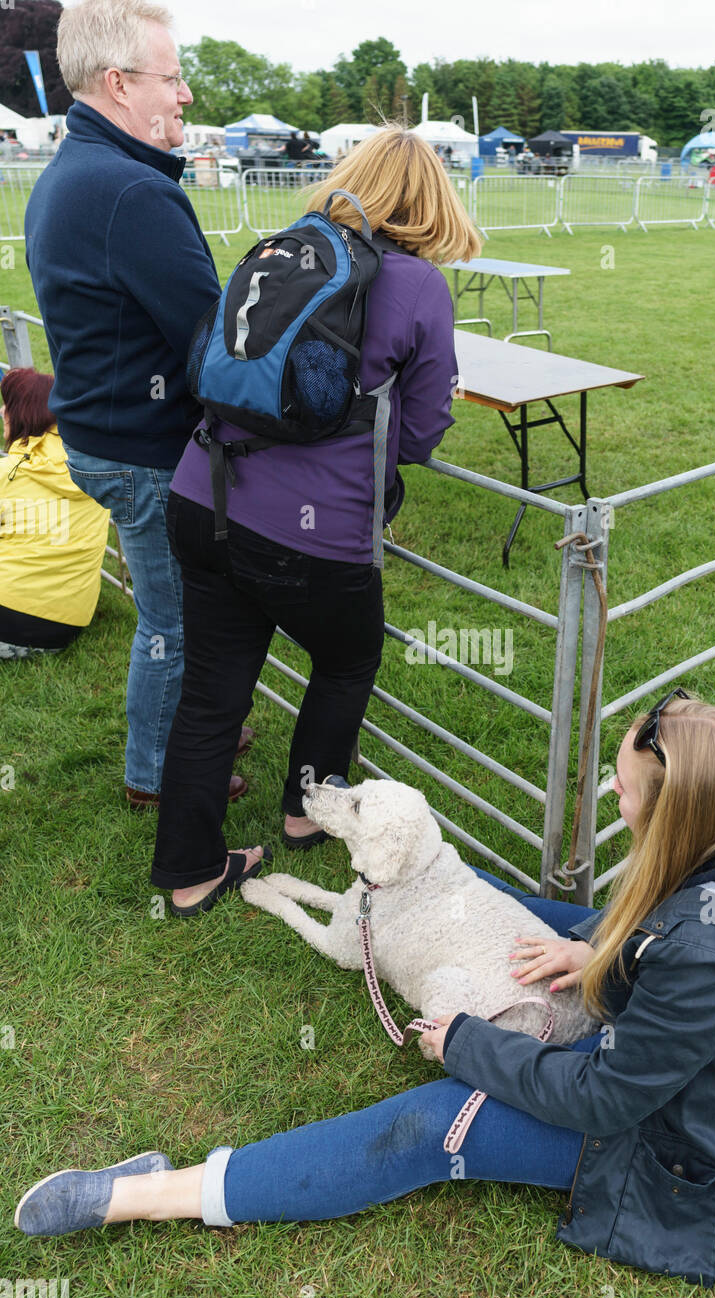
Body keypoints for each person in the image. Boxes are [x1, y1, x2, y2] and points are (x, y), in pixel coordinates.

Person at [16, 692, 715, 1288]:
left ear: (682, 807)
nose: (611, 789)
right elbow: (679, 950)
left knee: (429, 1124)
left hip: (710, 1157)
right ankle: (510, 945)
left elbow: (605, 1098)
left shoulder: (709, 949)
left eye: (623, 785)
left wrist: (466, 1038)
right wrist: (592, 956)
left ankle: (149, 1193)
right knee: (537, 917)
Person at [147, 124, 481, 915]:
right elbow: (425, 428)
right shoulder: (418, 286)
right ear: (433, 201)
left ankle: (190, 871)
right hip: (312, 532)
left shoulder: (283, 249)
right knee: (343, 663)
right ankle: (307, 812)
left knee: (210, 691)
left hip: (203, 495)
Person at [24, 0, 249, 810]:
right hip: (141, 446)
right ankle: (157, 772)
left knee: (175, 609)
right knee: (173, 621)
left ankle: (190, 721)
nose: (186, 95)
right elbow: (210, 335)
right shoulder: (129, 189)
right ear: (118, 83)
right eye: (174, 77)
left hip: (100, 431)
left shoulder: (76, 169)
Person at [0, 368, 109, 659]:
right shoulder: (94, 468)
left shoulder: (8, 472)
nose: (2, 411)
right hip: (64, 627)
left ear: (20, 414)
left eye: (7, 405)